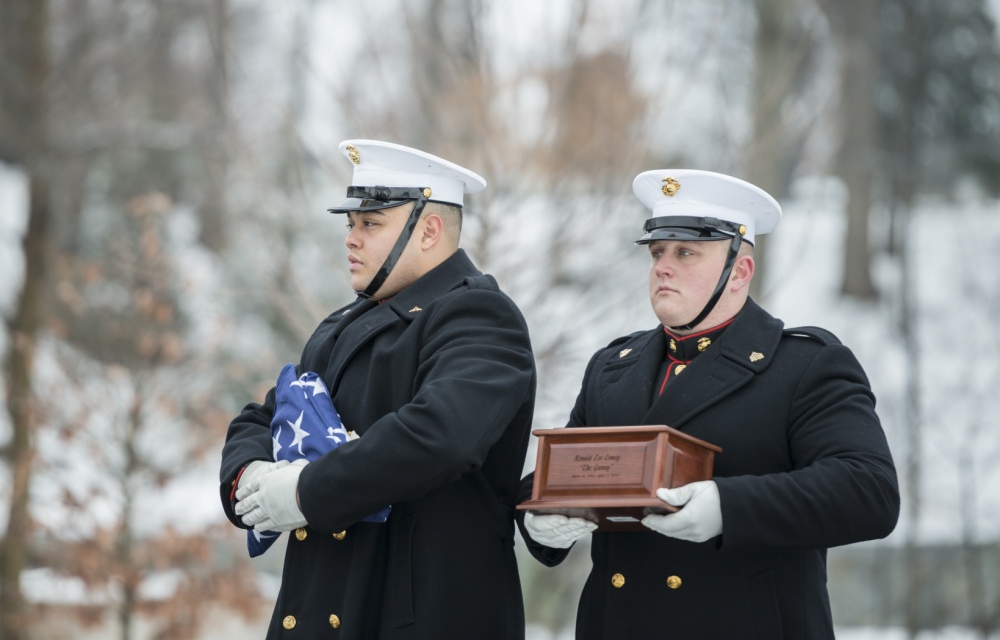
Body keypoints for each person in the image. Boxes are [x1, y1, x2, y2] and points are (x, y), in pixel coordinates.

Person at [517, 169, 899, 639]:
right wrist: (536, 515)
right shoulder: (612, 367)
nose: (661, 266)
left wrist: (729, 507)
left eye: (686, 252)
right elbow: (572, 468)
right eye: (657, 252)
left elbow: (869, 491)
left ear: (739, 271)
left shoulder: (804, 366)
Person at [221, 139, 536, 639]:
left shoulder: (479, 315)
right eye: (351, 224)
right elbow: (264, 416)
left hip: (414, 617)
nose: (351, 238)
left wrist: (305, 492)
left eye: (370, 224)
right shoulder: (342, 323)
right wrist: (251, 474)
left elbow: (438, 435)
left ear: (429, 230)